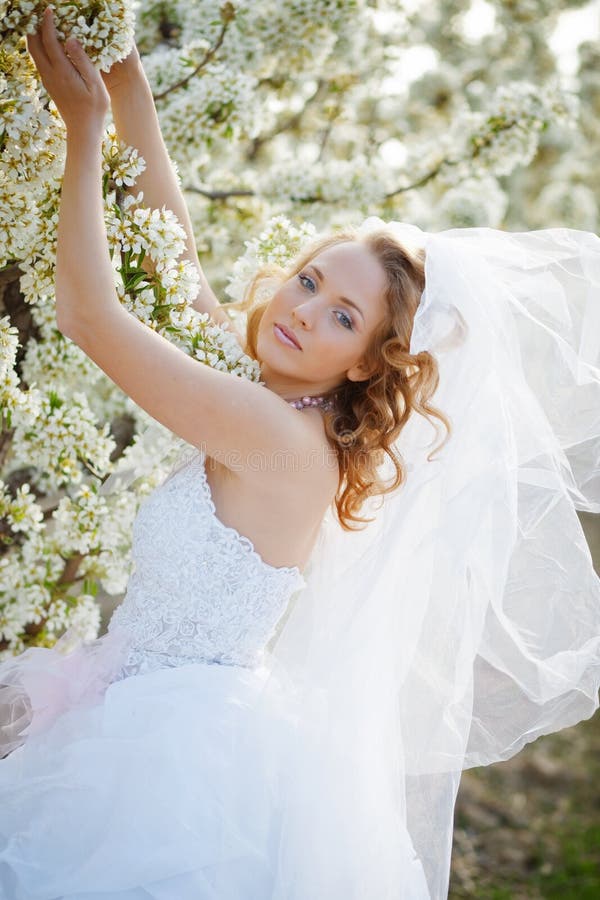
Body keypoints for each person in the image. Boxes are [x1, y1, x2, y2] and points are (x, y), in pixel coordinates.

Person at [1, 8, 599, 899]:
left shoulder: (279, 438)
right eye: (310, 281)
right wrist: (125, 74)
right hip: (125, 699)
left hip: (169, 756)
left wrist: (84, 131)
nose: (303, 311)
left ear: (367, 364)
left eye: (342, 318)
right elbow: (177, 267)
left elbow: (93, 318)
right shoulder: (277, 399)